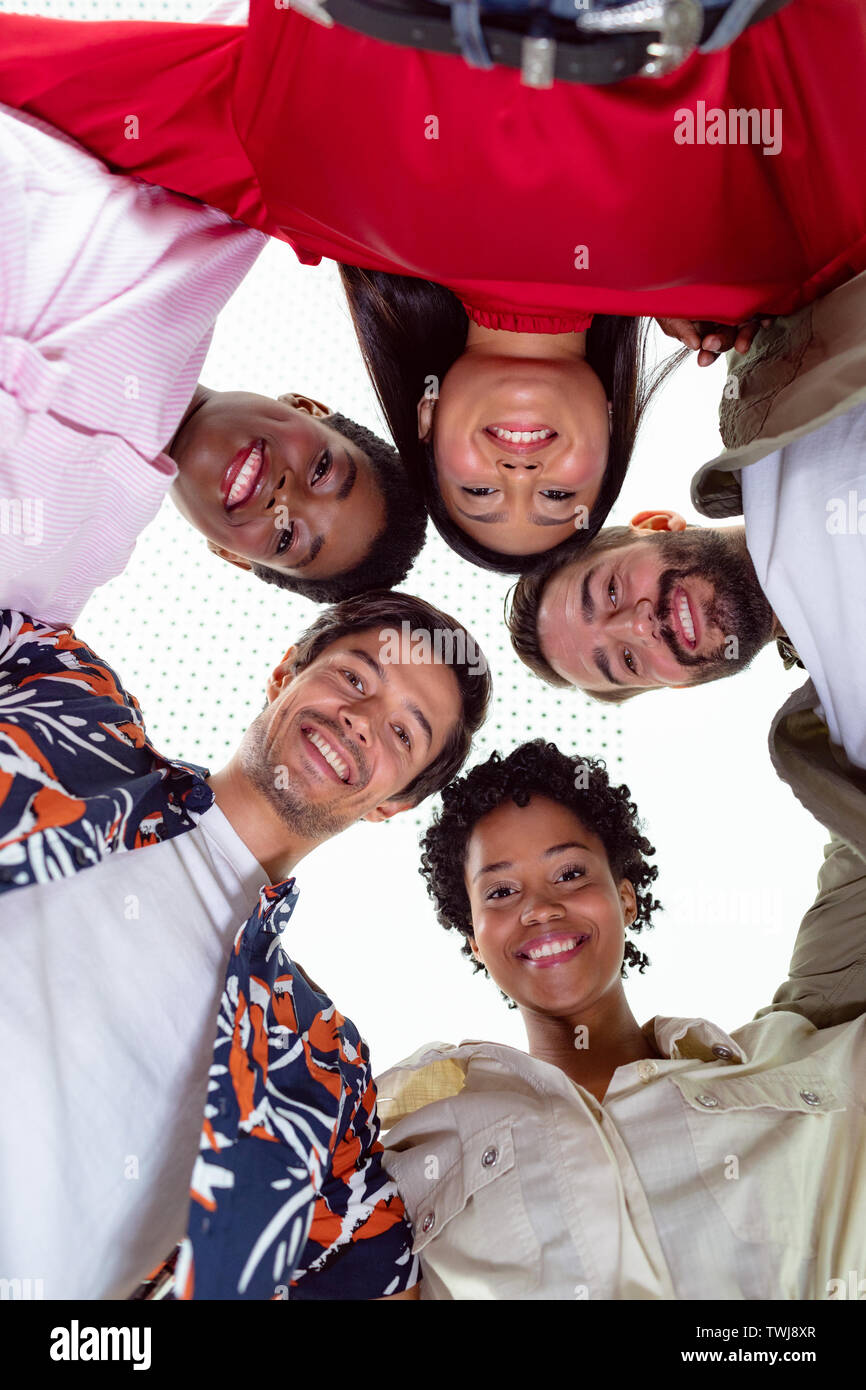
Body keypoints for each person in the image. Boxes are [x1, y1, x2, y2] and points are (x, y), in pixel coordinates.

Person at [0, 0, 865, 569]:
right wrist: (743, 285)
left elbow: (49, 79)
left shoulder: (303, 202)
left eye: (481, 492)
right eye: (560, 494)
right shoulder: (775, 262)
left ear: (423, 418)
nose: (519, 470)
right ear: (608, 430)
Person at [0, 590, 491, 1299]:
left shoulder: (320, 1072)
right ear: (284, 671)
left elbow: (375, 1281)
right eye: (355, 677)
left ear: (395, 803)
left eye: (402, 734)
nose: (359, 720)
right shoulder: (66, 697)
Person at [376, 740, 866, 1299]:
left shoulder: (795, 1060)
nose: (538, 908)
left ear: (626, 898)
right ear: (475, 942)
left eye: (569, 873)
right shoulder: (413, 1151)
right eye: (502, 890)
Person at [0, 102, 426, 626]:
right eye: (322, 469)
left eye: (289, 537)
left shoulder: (51, 587)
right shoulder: (217, 225)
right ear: (305, 406)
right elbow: (298, 57)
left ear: (232, 556)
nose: (284, 500)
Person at [508, 269, 866, 819]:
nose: (639, 624)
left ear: (656, 523)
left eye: (609, 591)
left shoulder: (768, 385)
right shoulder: (841, 747)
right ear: (673, 686)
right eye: (626, 660)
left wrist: (693, 277)